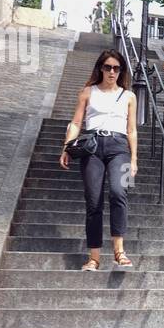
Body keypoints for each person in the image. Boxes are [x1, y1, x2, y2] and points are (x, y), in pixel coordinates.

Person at [60, 49, 139, 270]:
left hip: (120, 147)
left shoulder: (129, 96)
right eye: (107, 67)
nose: (112, 72)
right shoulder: (87, 92)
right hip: (92, 148)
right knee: (93, 201)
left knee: (119, 192)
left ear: (121, 70)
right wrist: (67, 148)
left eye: (116, 68)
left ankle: (119, 252)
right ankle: (94, 257)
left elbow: (132, 129)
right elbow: (76, 123)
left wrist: (134, 159)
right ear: (100, 69)